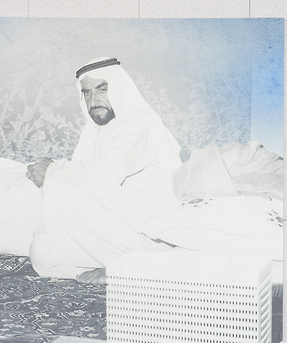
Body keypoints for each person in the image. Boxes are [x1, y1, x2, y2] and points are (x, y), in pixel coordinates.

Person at [26, 57, 183, 282]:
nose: (93, 100)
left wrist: (51, 170)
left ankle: (135, 267)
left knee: (60, 186)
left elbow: (105, 172)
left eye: (102, 89)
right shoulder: (95, 129)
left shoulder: (139, 120)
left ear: (118, 88)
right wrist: (52, 173)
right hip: (118, 211)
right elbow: (84, 180)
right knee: (41, 251)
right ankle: (124, 265)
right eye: (87, 92)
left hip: (151, 214)